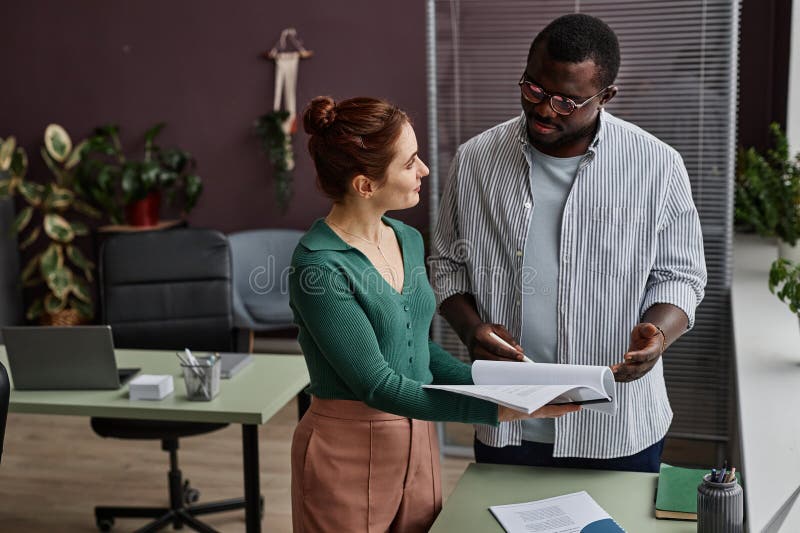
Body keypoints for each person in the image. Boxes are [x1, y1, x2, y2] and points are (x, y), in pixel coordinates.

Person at [429, 13, 707, 472]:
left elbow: (680, 275)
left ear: (605, 97)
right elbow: (446, 263)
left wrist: (658, 334)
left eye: (565, 101)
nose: (543, 109)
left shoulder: (657, 165)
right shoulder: (475, 159)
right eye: (533, 88)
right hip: (506, 416)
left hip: (617, 426)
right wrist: (470, 329)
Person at [288, 95, 579, 532]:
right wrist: (498, 412)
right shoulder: (320, 266)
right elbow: (377, 384)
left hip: (419, 440)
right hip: (345, 450)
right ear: (365, 185)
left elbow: (416, 348)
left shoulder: (405, 238)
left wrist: (503, 387)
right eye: (409, 163)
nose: (423, 170)